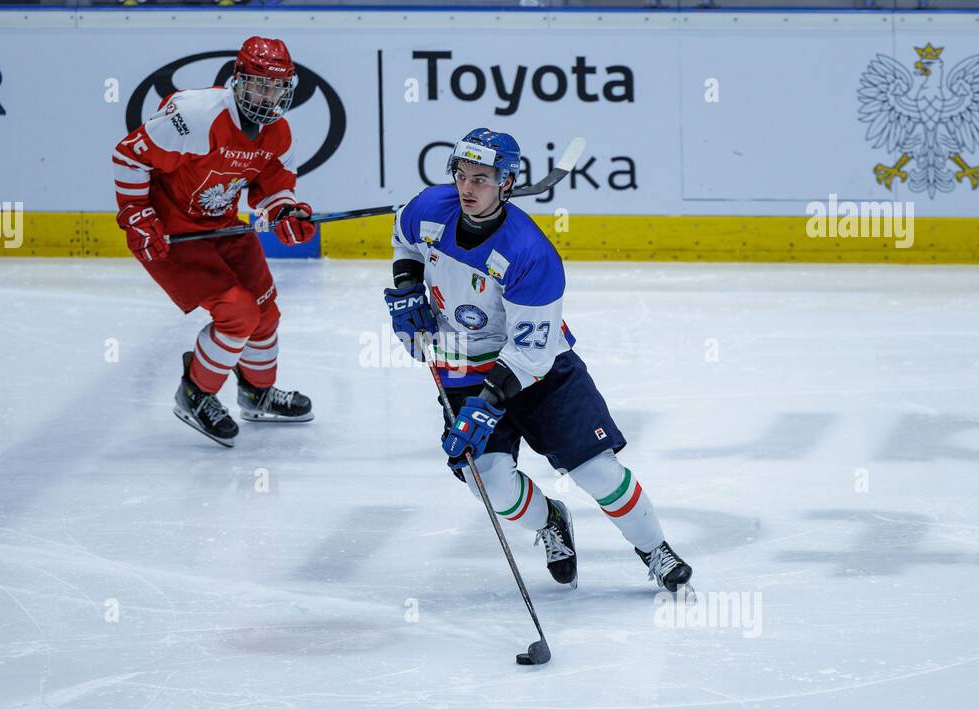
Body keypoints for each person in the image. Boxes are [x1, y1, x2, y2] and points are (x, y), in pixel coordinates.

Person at [383, 128, 693, 592]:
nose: (467, 189)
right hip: (461, 361)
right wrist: (408, 288)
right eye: (462, 175)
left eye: (481, 179)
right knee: (485, 481)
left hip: (540, 368)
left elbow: (531, 350)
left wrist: (489, 402)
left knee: (596, 470)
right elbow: (404, 242)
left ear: (506, 183)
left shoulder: (529, 252)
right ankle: (550, 520)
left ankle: (654, 547)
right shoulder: (429, 208)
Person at [112, 36, 314, 447]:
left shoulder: (279, 133)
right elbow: (129, 157)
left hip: (223, 226)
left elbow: (273, 186)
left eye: (274, 87)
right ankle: (196, 395)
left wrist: (284, 213)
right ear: (238, 80)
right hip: (170, 235)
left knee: (265, 313)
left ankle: (256, 393)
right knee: (237, 313)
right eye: (258, 84)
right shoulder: (196, 116)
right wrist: (136, 215)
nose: (266, 95)